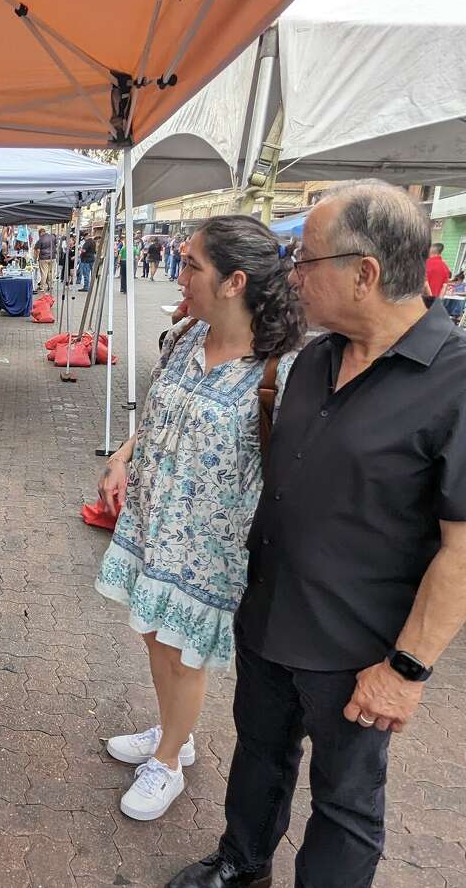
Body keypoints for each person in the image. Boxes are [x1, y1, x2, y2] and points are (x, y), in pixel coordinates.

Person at [169, 181, 466, 888]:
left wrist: (407, 671)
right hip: (271, 615)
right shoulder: (315, 357)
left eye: (305, 260)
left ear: (365, 273)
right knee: (259, 755)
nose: (293, 275)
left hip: (357, 651)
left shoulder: (454, 383)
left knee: (345, 801)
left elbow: (462, 550)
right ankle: (242, 863)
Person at [95, 215, 305, 823]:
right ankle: (173, 732)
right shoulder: (187, 336)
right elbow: (158, 414)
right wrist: (123, 456)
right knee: (152, 633)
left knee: (182, 649)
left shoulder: (281, 369)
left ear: (235, 282)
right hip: (153, 521)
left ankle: (168, 762)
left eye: (192, 265)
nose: (179, 275)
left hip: (209, 546)